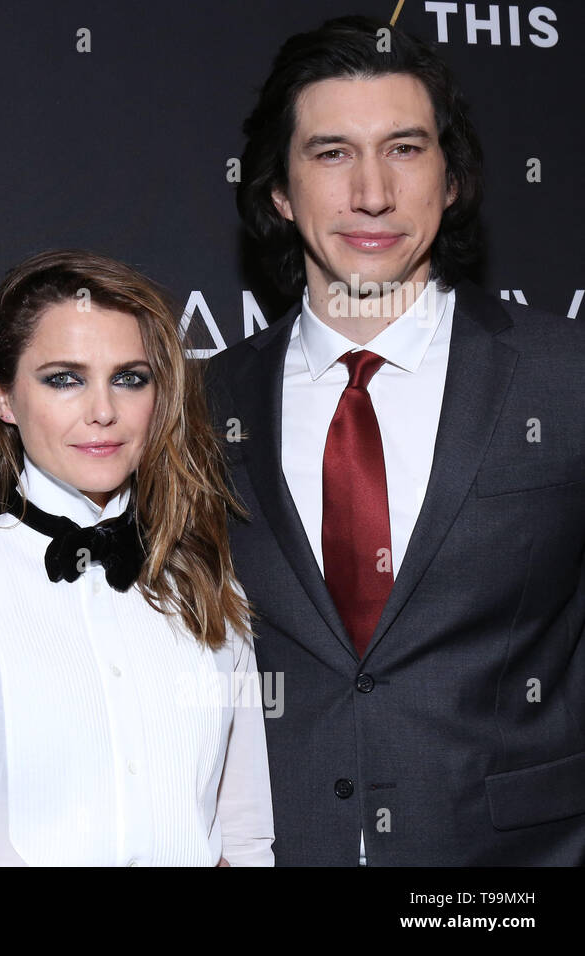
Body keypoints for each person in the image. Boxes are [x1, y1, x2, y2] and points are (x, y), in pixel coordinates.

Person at [208, 15, 585, 865]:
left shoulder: (566, 377)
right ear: (278, 190)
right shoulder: (200, 405)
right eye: (332, 153)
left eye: (406, 149)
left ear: (451, 179)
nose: (371, 192)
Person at [0, 249, 274, 866]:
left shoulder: (211, 585)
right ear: (3, 397)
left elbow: (246, 839)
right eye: (64, 378)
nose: (103, 411)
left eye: (130, 378)